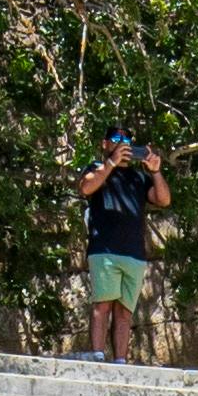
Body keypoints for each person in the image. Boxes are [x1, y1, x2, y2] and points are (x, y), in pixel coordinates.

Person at [77, 131, 169, 358]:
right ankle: (98, 354)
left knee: (125, 312)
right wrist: (111, 163)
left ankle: (120, 360)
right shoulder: (97, 168)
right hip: (105, 250)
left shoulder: (138, 177)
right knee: (102, 305)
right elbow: (86, 188)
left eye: (127, 142)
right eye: (117, 141)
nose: (122, 146)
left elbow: (163, 199)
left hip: (134, 254)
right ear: (105, 143)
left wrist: (155, 171)